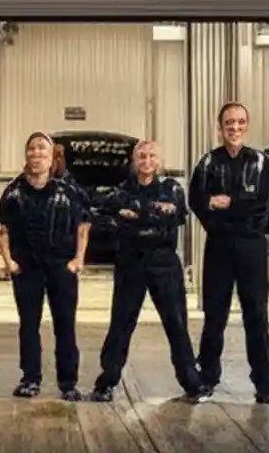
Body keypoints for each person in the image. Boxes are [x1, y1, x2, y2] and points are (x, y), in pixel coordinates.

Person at [91, 140, 210, 404]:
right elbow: (101, 215)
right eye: (141, 156)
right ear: (135, 161)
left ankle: (192, 382)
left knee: (176, 324)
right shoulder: (121, 191)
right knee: (121, 324)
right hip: (130, 264)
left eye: (151, 155)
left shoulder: (172, 189)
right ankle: (106, 382)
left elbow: (174, 216)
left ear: (159, 161)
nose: (146, 160)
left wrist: (134, 217)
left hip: (164, 264)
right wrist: (136, 217)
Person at [189, 102, 269, 404]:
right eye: (229, 122)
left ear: (247, 125)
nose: (234, 127)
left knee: (256, 314)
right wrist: (218, 207)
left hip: (252, 247)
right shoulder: (207, 163)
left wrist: (227, 202)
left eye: (240, 122)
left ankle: (263, 383)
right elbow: (197, 200)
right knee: (214, 315)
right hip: (218, 246)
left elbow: (264, 205)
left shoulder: (261, 163)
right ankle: (207, 378)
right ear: (220, 127)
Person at [0, 132, 90, 402]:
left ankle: (68, 382)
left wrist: (78, 259)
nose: (36, 154)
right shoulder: (13, 192)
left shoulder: (69, 191)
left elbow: (84, 224)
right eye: (31, 149)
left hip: (61, 266)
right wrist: (8, 261)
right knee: (28, 325)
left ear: (52, 158)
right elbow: (2, 228)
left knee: (65, 325)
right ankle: (30, 378)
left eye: (42, 150)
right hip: (27, 268)